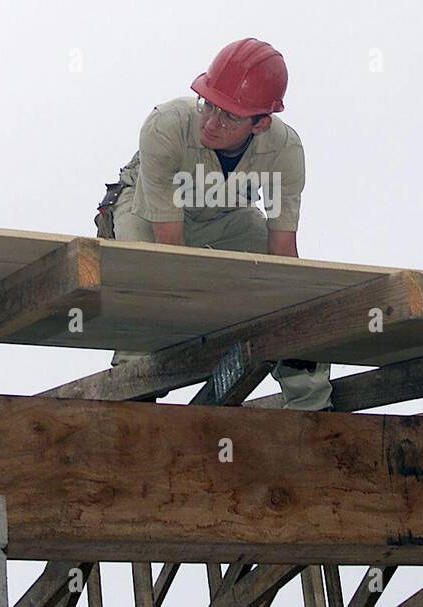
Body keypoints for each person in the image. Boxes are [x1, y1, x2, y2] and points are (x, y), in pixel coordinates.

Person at [96, 37, 332, 410]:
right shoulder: (166, 127)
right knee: (149, 279)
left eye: (229, 116)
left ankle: (311, 406)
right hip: (150, 211)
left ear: (261, 123)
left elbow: (283, 252)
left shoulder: (285, 152)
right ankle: (134, 399)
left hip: (225, 215)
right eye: (208, 104)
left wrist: (282, 304)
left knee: (284, 285)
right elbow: (172, 253)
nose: (211, 122)